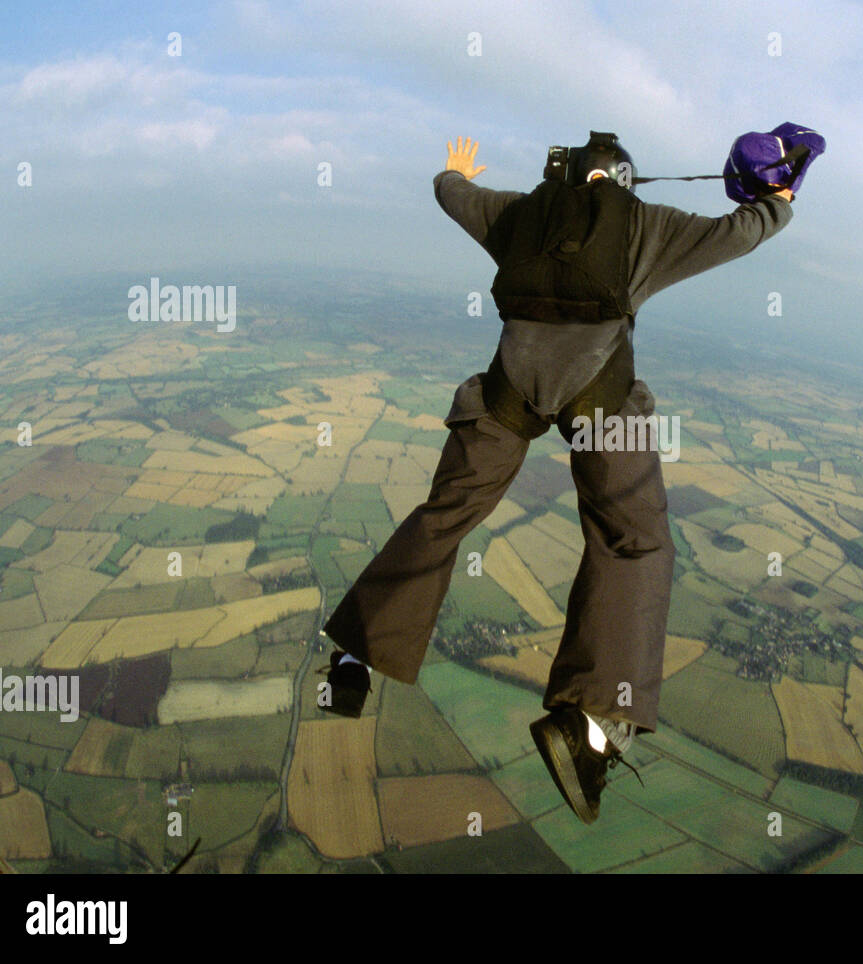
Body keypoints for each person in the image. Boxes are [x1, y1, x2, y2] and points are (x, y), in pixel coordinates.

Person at [320, 133, 795, 824]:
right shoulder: (646, 225)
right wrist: (778, 200)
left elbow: (454, 196)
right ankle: (592, 726)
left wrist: (452, 171)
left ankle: (352, 665)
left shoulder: (517, 215)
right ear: (623, 178)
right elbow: (740, 231)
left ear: (565, 173)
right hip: (600, 396)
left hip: (508, 389)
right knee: (634, 540)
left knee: (445, 515)